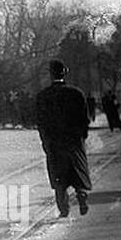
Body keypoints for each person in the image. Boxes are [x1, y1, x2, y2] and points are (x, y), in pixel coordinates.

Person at [35, 60, 91, 217]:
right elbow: (84, 119)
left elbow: (41, 122)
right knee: (77, 170)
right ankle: (81, 193)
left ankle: (63, 208)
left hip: (54, 142)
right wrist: (82, 136)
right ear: (64, 73)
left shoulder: (42, 96)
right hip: (74, 140)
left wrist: (45, 141)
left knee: (59, 176)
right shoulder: (76, 93)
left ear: (51, 74)